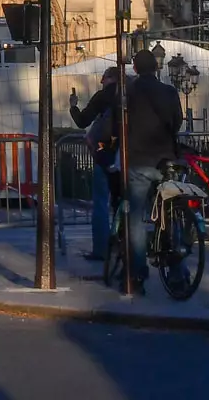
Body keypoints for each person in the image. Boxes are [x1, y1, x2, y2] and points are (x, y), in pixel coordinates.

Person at [119, 49, 184, 293]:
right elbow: (177, 121)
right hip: (165, 159)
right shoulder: (169, 91)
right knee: (171, 216)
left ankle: (138, 274)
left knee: (135, 219)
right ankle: (178, 272)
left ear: (135, 68)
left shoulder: (129, 92)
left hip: (138, 160)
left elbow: (119, 121)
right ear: (157, 68)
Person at [68, 66, 120, 260]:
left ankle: (101, 249)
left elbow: (82, 121)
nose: (101, 81)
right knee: (124, 202)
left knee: (100, 201)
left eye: (104, 77)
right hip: (131, 154)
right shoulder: (134, 93)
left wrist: (73, 106)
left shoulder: (103, 96)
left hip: (105, 153)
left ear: (110, 78)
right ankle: (124, 244)